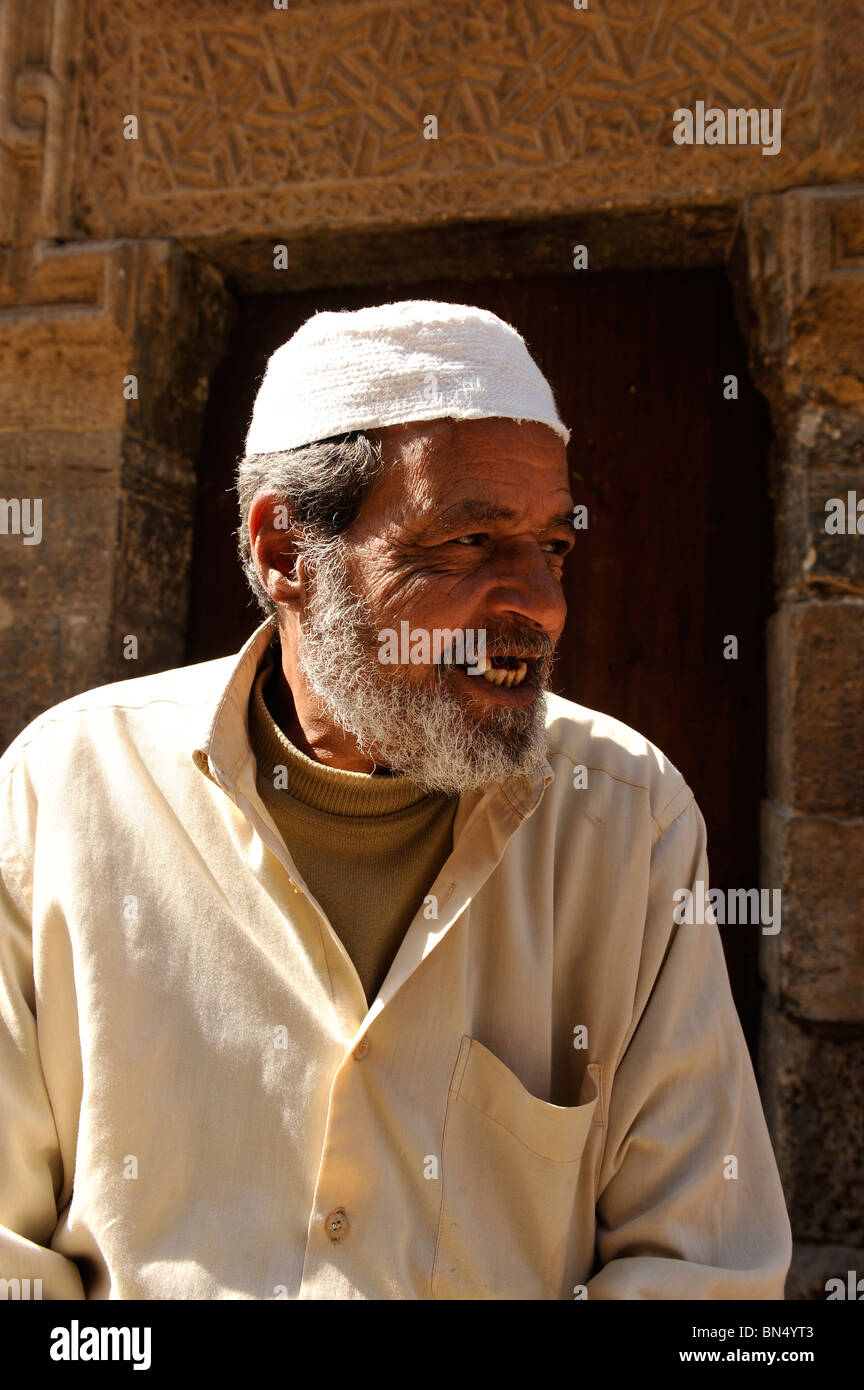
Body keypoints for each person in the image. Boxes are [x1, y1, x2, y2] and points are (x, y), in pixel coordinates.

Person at [0, 299, 791, 1299]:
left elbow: (702, 1268)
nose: (540, 603)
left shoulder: (628, 819)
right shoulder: (61, 792)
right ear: (287, 552)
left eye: (553, 547)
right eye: (469, 543)